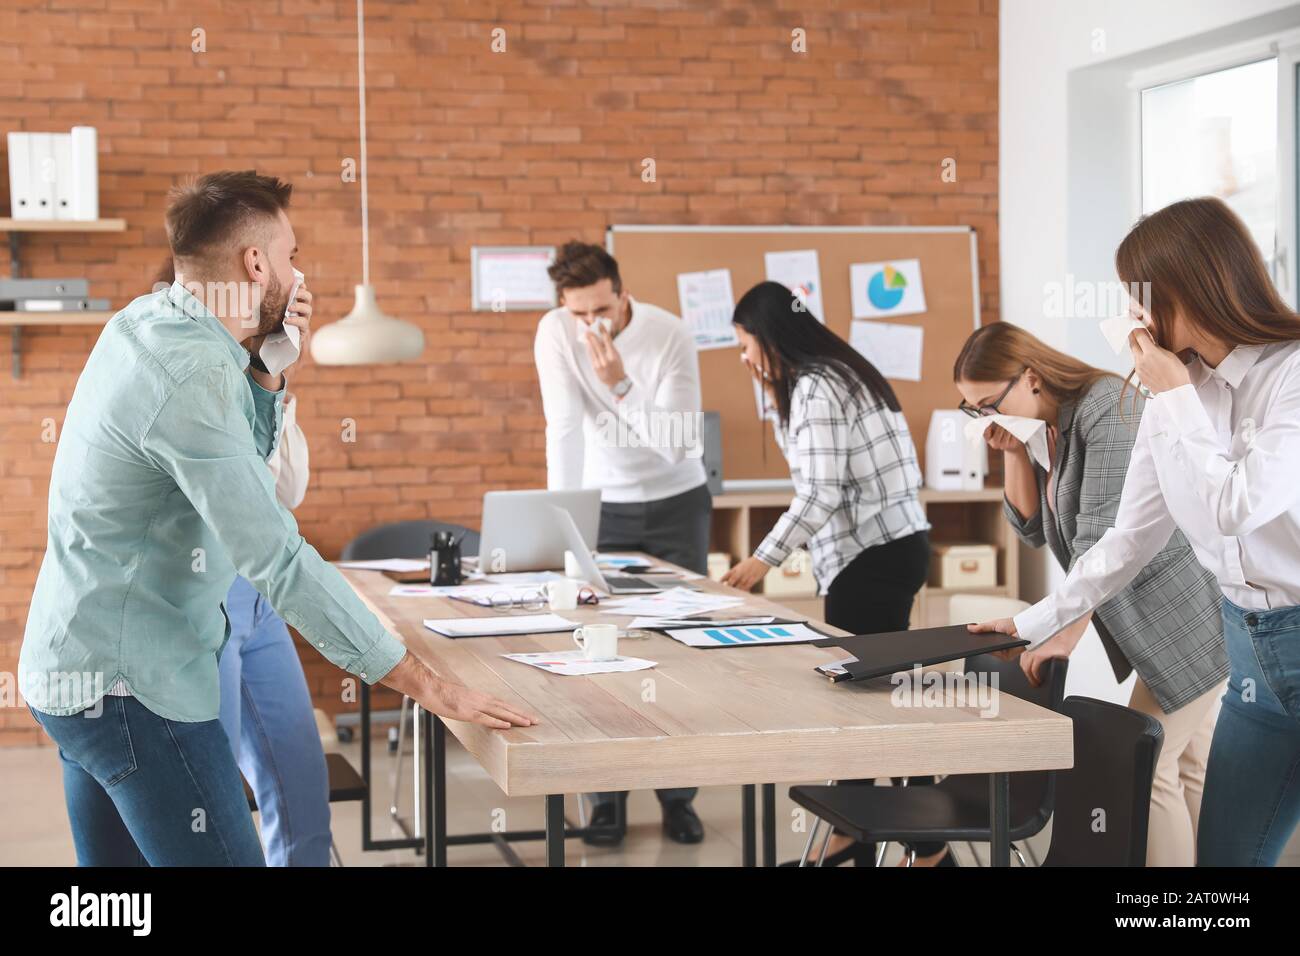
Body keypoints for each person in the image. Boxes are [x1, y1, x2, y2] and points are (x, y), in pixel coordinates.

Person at [20, 170, 536, 867]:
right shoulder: (190, 373)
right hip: (134, 693)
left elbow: (234, 471)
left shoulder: (150, 325)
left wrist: (266, 373)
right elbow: (276, 555)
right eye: (291, 255)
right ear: (255, 263)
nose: (299, 275)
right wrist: (427, 684)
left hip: (72, 674)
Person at [972, 196, 1300, 866]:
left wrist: (1176, 394)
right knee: (1228, 860)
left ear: (1192, 290)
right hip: (1248, 652)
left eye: (1141, 299)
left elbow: (1239, 504)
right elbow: (1127, 540)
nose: (1133, 321)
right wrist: (1035, 620)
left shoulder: (1288, 374)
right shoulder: (1169, 397)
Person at [954, 321, 1227, 866]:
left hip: (1180, 618)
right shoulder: (1047, 426)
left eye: (988, 404)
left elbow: (1102, 543)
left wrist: (1059, 637)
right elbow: (1035, 530)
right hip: (1150, 622)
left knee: (1145, 770)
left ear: (1030, 378)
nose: (984, 418)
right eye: (974, 411)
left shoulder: (1104, 409)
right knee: (1190, 768)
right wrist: (1011, 452)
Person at [721, 281, 932, 867]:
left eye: (745, 345)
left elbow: (818, 492)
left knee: (867, 703)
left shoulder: (817, 386)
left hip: (871, 556)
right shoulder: (840, 373)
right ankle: (862, 840)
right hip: (891, 549)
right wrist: (769, 387)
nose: (743, 358)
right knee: (873, 699)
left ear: (769, 337)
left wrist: (760, 560)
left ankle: (915, 844)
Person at [154, 257, 332, 866]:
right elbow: (231, 498)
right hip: (206, 598)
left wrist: (272, 373)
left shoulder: (257, 371)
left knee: (301, 780)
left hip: (260, 600)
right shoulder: (184, 373)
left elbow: (287, 492)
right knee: (215, 790)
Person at [534, 240, 709, 846]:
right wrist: (567, 530)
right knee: (598, 651)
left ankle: (678, 796)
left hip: (675, 501)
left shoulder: (669, 335)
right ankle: (604, 799)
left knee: (676, 648)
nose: (592, 326)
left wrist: (621, 383)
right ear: (564, 306)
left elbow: (682, 444)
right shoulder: (556, 332)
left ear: (621, 292)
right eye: (580, 314)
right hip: (603, 505)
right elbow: (564, 429)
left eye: (602, 311)